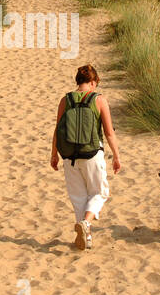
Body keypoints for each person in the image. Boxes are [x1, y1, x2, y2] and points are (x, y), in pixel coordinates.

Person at [51, 63, 122, 250]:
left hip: (69, 156)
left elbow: (57, 130)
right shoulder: (99, 100)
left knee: (78, 197)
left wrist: (54, 155)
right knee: (100, 192)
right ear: (92, 82)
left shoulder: (65, 100)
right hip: (92, 155)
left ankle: (85, 237)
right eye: (95, 83)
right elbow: (108, 132)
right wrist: (116, 156)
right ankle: (86, 223)